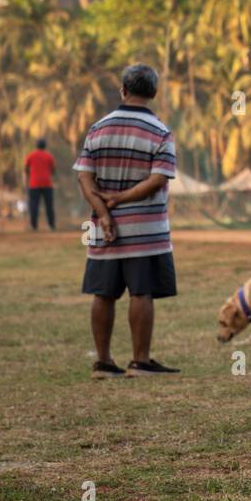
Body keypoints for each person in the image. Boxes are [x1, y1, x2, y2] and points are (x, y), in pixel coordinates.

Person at [74, 63, 179, 378]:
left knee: (103, 293)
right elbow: (158, 180)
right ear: (154, 93)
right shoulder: (160, 132)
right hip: (145, 227)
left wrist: (104, 211)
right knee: (141, 291)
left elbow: (84, 177)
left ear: (123, 89)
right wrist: (122, 199)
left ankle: (104, 362)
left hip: (99, 227)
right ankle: (140, 360)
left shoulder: (98, 128)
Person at [24, 137, 56, 231]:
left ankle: (34, 226)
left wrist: (29, 175)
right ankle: (51, 225)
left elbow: (26, 167)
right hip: (47, 183)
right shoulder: (49, 156)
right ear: (45, 146)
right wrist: (48, 174)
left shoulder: (30, 155)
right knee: (49, 205)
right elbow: (53, 169)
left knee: (34, 205)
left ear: (36, 145)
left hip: (34, 184)